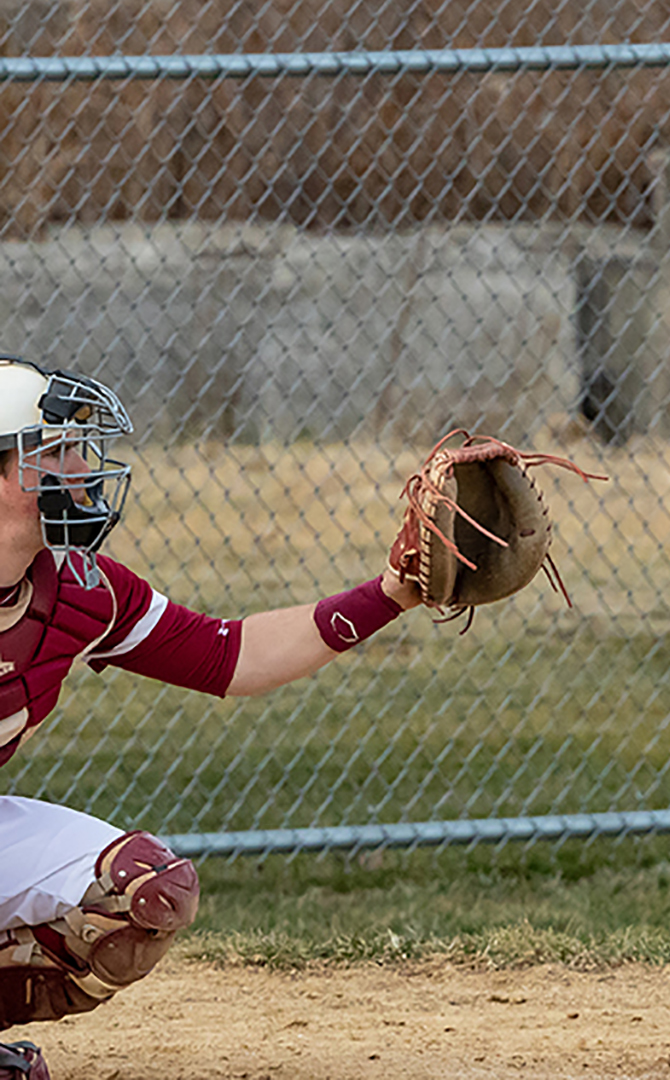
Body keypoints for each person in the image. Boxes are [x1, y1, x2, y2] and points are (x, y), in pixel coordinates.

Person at [0, 356, 425, 1080]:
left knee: (143, 892)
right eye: (54, 451)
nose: (82, 466)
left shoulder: (79, 589)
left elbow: (232, 656)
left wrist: (391, 594)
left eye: (78, 446)